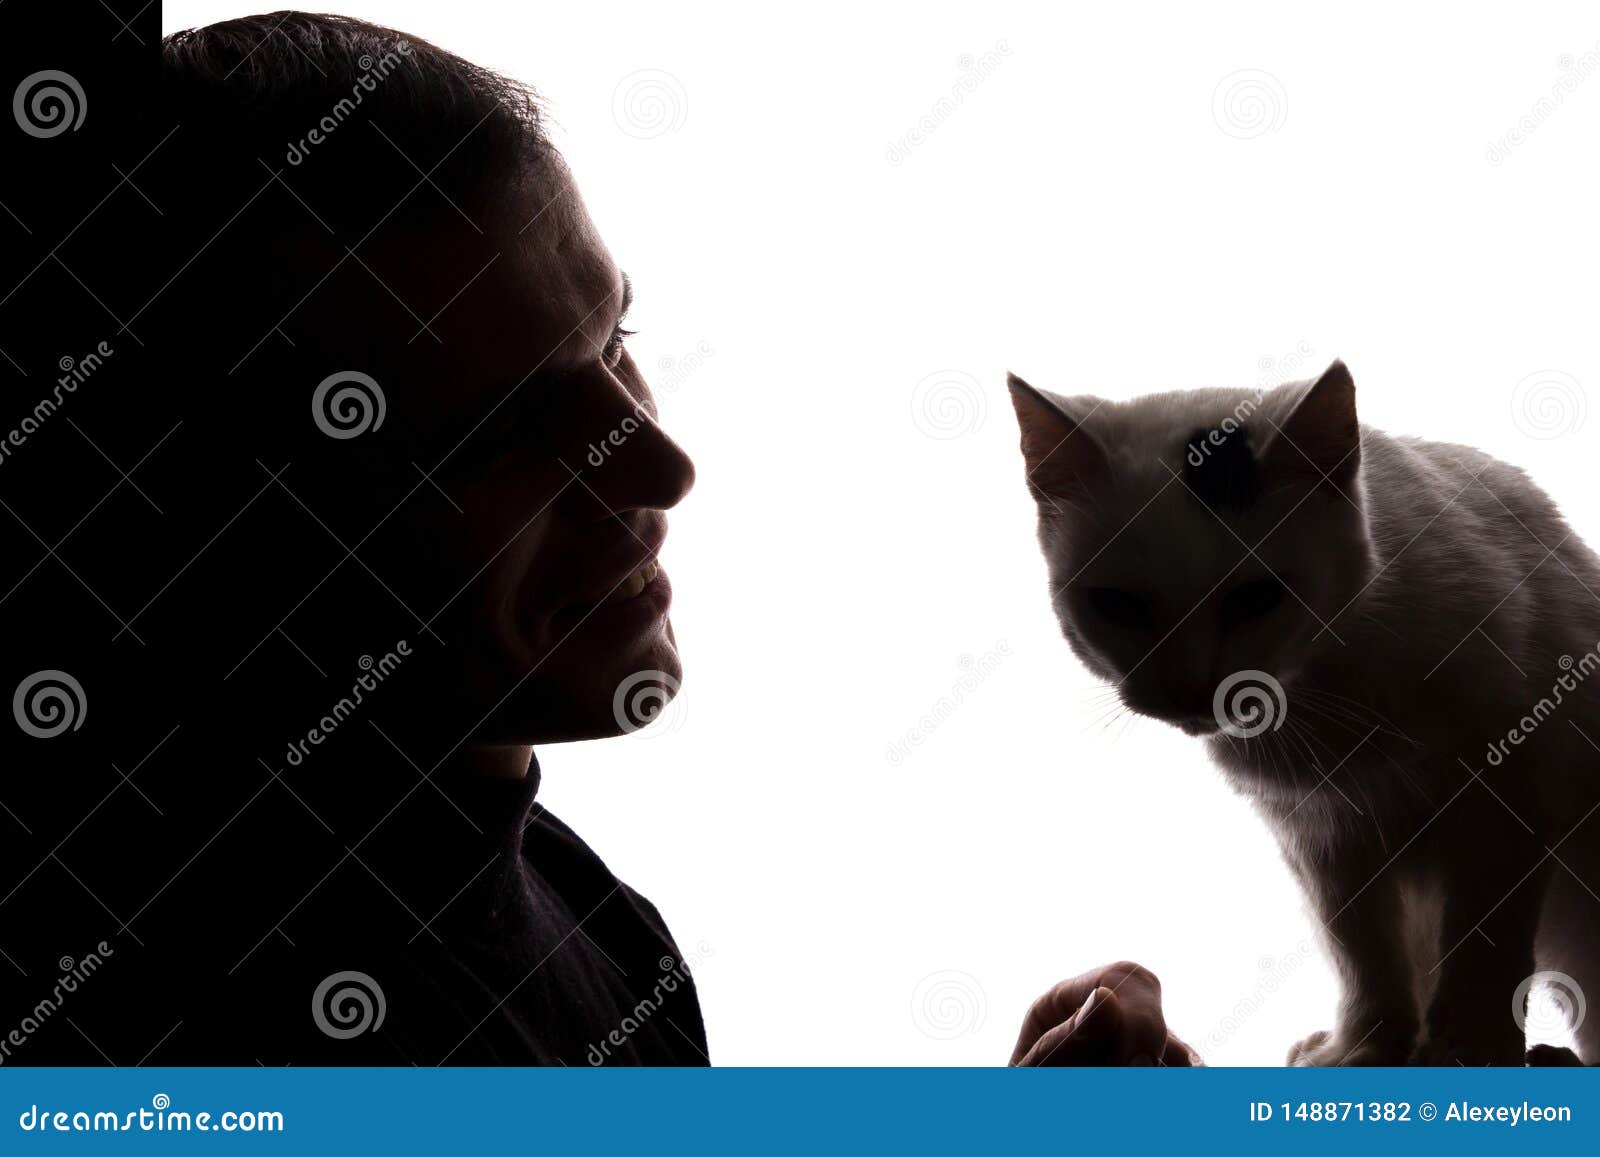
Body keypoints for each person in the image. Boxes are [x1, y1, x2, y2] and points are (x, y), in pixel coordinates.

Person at [0, 11, 1198, 1067]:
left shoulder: (610, 944)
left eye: (616, 338)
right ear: (235, 519)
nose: (658, 464)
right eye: (505, 432)